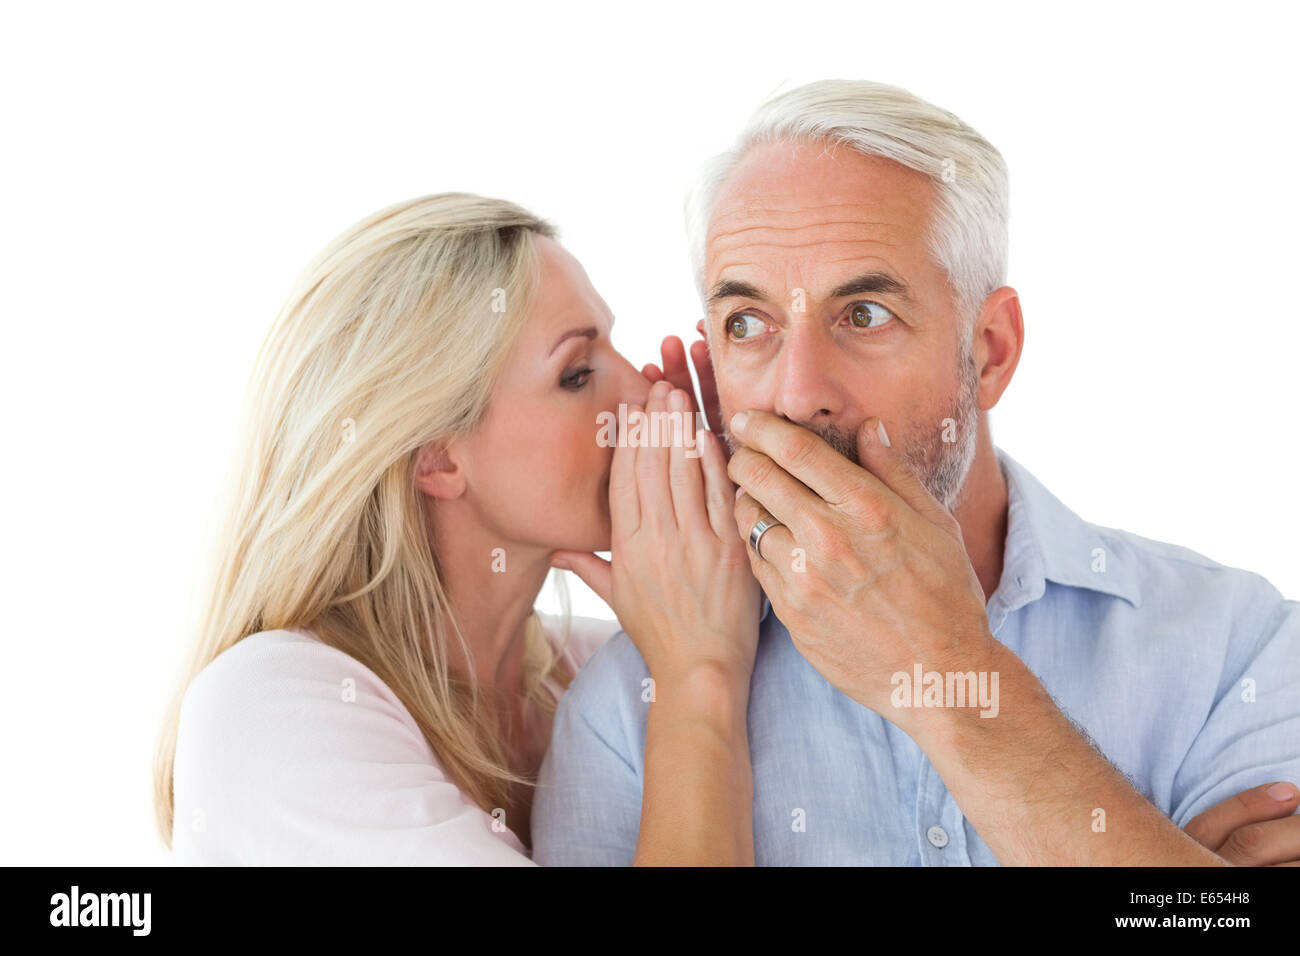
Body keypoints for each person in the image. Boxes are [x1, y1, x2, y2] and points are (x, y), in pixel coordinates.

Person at [534, 79, 1300, 865]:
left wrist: (942, 665)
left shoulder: (1238, 647)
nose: (798, 395)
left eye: (863, 315)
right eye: (749, 324)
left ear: (990, 350)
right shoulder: (630, 717)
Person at [154, 193, 762, 864]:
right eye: (577, 374)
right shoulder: (269, 708)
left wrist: (751, 537)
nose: (651, 395)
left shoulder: (612, 674)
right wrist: (698, 679)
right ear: (438, 456)